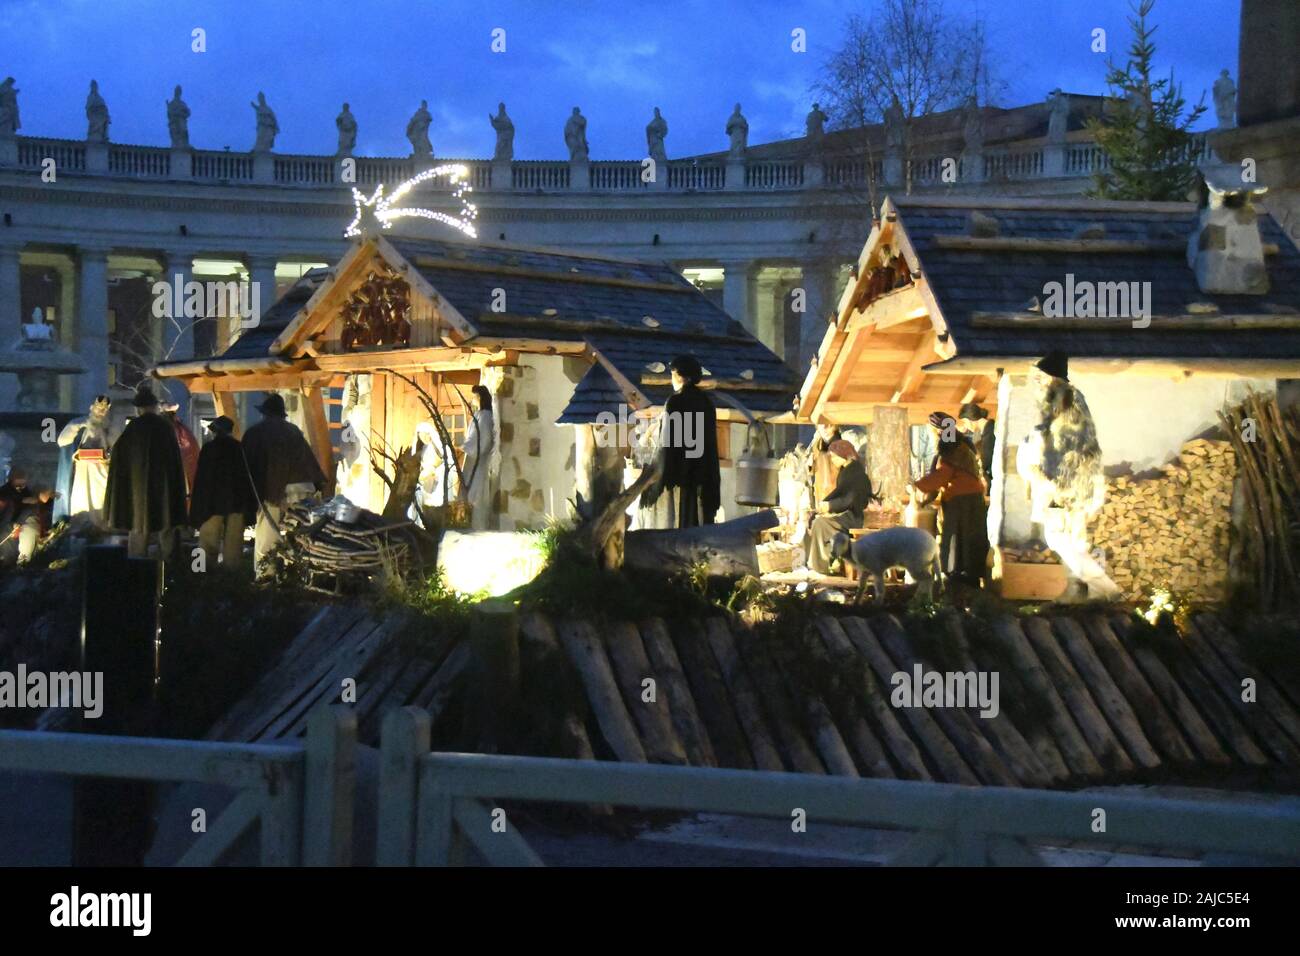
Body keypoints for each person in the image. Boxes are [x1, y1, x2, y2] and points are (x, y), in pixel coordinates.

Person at [1016, 352, 1121, 602]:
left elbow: (1065, 445)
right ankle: (1077, 589)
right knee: (1070, 540)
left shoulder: (1064, 399)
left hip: (1066, 485)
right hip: (1067, 483)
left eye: (1041, 377)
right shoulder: (1066, 400)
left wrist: (1052, 481)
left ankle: (1105, 589)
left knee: (1061, 538)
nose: (1037, 381)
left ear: (1052, 378)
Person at [241, 393, 327, 576]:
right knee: (297, 537)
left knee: (267, 538)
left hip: (274, 491)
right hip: (303, 490)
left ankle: (266, 577)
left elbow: (248, 466)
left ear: (265, 413)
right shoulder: (293, 431)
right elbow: (309, 463)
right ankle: (294, 575)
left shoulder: (255, 433)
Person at [103, 383, 189, 560]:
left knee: (138, 529)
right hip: (163, 490)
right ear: (154, 407)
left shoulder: (133, 428)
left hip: (138, 492)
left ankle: (136, 569)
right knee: (166, 528)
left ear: (139, 409)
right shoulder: (165, 428)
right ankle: (169, 568)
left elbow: (119, 457)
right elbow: (175, 461)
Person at [643, 355, 720, 529]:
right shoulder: (706, 402)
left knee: (678, 524)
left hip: (679, 474)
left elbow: (667, 443)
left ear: (678, 375)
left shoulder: (675, 401)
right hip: (704, 472)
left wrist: (656, 476)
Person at [913, 412, 989, 588]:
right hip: (972, 498)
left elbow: (943, 475)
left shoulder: (951, 449)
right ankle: (971, 574)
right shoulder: (962, 443)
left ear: (938, 430)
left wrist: (919, 486)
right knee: (970, 537)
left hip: (961, 500)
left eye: (931, 429)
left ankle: (956, 574)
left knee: (955, 535)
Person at [189, 416, 254, 568]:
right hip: (236, 504)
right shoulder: (239, 448)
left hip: (211, 505)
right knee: (234, 547)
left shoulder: (208, 449)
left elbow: (202, 480)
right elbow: (245, 479)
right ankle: (232, 580)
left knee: (206, 543)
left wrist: (196, 509)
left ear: (214, 432)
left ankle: (200, 575)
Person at [808, 439, 877, 575]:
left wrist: (830, 506)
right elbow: (843, 494)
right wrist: (827, 506)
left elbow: (851, 498)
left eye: (834, 456)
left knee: (821, 524)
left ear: (843, 454)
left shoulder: (854, 473)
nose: (832, 460)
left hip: (856, 517)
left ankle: (820, 566)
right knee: (819, 521)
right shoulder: (848, 471)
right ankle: (821, 564)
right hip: (850, 514)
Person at [54, 394, 117, 523]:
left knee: (100, 499)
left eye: (104, 410)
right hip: (82, 470)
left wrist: (108, 455)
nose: (101, 412)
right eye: (98, 408)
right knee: (81, 499)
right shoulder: (80, 423)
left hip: (102, 470)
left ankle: (100, 525)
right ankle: (80, 524)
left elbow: (117, 447)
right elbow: (62, 441)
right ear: (92, 408)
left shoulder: (110, 427)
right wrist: (78, 426)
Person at [459, 385, 497, 530]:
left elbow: (484, 439)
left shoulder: (486, 416)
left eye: (474, 396)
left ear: (480, 397)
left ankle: (477, 527)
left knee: (476, 493)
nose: (472, 399)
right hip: (471, 460)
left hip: (478, 462)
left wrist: (466, 448)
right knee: (468, 491)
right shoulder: (479, 415)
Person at [0, 467, 55, 566]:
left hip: (18, 524)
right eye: (19, 479)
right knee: (8, 551)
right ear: (12, 478)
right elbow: (9, 505)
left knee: (13, 552)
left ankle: (12, 566)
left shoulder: (26, 490)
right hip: (7, 526)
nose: (22, 483)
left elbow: (30, 507)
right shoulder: (5, 491)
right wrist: (22, 500)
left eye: (24, 480)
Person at [957, 402, 996, 483]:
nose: (965, 426)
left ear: (969, 419)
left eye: (965, 422)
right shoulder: (981, 431)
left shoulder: (990, 432)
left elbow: (986, 460)